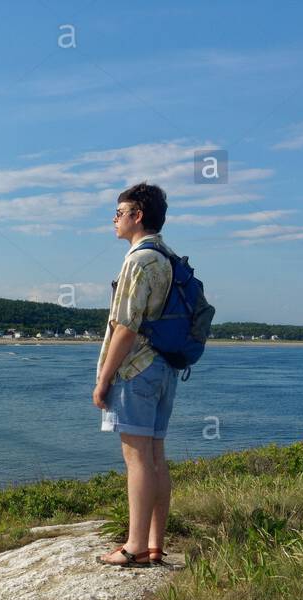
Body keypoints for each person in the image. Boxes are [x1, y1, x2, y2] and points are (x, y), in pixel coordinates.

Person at [92, 182, 180, 568]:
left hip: (136, 368)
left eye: (119, 212)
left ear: (137, 216)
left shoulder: (137, 260)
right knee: (156, 456)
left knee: (137, 460)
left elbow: (125, 326)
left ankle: (134, 547)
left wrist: (104, 378)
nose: (114, 220)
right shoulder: (167, 256)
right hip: (163, 366)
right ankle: (155, 544)